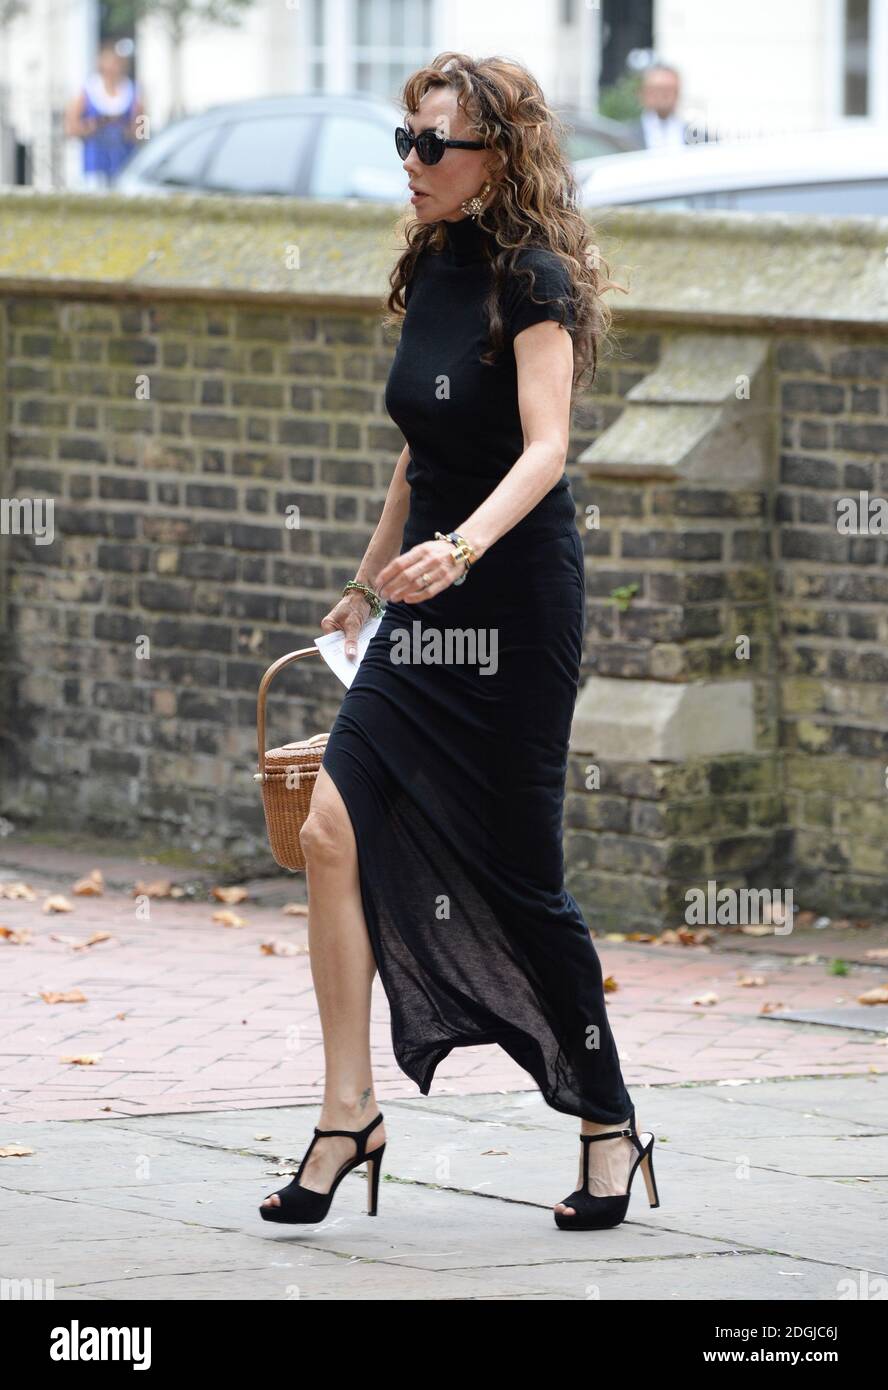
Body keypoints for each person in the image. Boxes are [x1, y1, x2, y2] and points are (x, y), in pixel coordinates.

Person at [259, 52, 660, 1232]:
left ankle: (606, 1119)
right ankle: (348, 1111)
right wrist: (364, 581)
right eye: (407, 141)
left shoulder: (531, 279)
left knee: (526, 879)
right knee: (332, 826)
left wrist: (462, 551)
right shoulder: (432, 263)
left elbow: (544, 448)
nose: (414, 165)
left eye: (435, 145)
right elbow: (417, 446)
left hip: (513, 605)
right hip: (419, 607)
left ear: (497, 161)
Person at [64, 41, 144, 188]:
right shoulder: (87, 92)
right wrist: (94, 125)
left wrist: (126, 129)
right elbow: (71, 128)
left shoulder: (134, 93)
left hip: (124, 166)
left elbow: (142, 132)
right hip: (94, 167)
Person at [627, 62, 689, 149]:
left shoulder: (697, 137)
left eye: (668, 90)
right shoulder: (626, 135)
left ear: (678, 93)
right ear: (642, 93)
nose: (662, 96)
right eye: (656, 90)